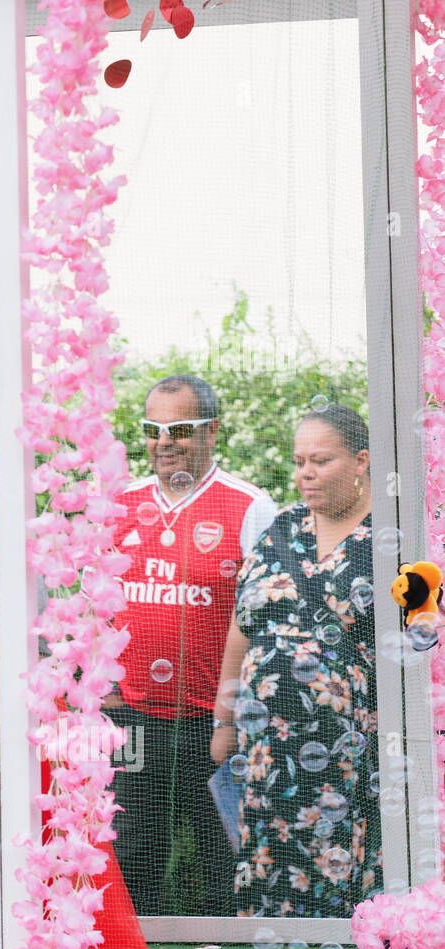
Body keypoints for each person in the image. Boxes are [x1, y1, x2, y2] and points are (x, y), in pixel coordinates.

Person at [107, 374, 277, 916]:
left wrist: (237, 715)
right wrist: (101, 686)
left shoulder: (251, 507)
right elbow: (94, 604)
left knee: (225, 864)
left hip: (217, 725)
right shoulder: (120, 503)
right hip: (136, 717)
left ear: (211, 431)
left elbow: (268, 621)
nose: (163, 441)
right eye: (153, 429)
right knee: (132, 860)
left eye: (179, 428)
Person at [213, 404, 380, 918]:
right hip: (266, 748)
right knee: (270, 859)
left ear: (360, 461)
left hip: (347, 749)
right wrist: (224, 720)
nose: (305, 473)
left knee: (340, 865)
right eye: (299, 460)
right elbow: (241, 629)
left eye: (321, 460)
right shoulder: (281, 529)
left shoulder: (393, 537)